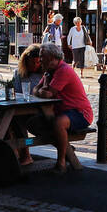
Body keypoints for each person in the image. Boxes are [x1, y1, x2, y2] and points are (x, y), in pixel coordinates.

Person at [32, 43, 93, 173]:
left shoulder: (63, 70)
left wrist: (43, 89)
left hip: (80, 113)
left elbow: (47, 94)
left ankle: (61, 163)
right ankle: (65, 148)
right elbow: (35, 90)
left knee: (58, 123)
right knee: (31, 123)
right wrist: (43, 89)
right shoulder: (49, 71)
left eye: (42, 56)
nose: (40, 59)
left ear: (52, 56)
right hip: (61, 111)